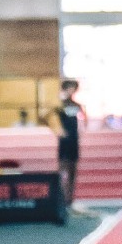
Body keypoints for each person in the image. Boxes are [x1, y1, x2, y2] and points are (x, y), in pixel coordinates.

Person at [49, 80, 86, 213]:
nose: (71, 91)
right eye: (69, 88)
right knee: (62, 168)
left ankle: (70, 199)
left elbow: (84, 119)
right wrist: (58, 130)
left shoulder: (77, 105)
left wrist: (82, 127)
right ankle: (61, 198)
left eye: (73, 88)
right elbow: (49, 117)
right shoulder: (59, 105)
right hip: (64, 140)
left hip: (74, 140)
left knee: (72, 170)